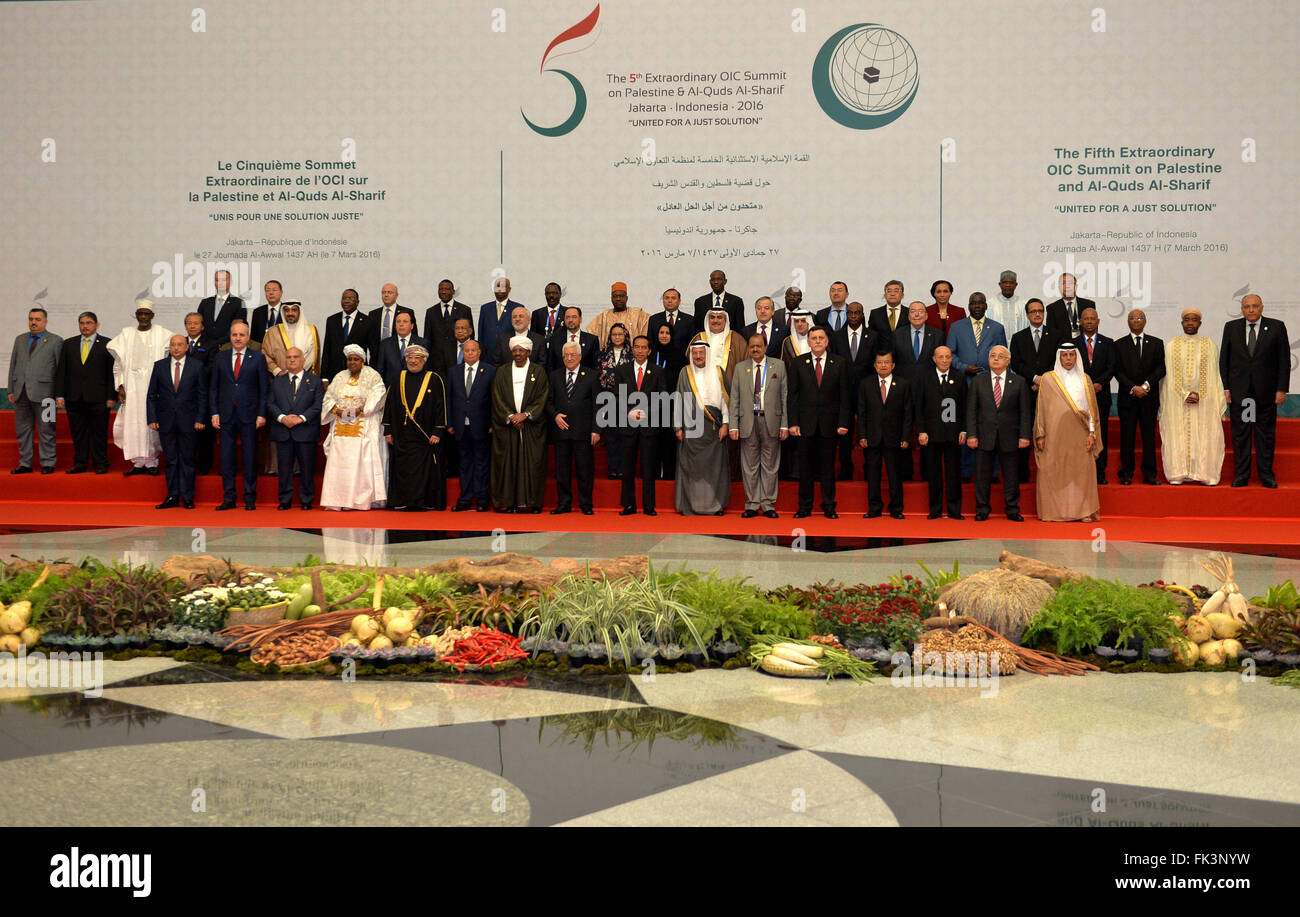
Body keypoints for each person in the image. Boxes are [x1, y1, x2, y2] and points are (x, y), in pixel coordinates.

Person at [1220, 293, 1290, 488]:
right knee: (1241, 435)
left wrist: (1281, 389)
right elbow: (1223, 360)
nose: (1251, 310)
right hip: (1241, 394)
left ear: (1262, 307)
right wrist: (1225, 387)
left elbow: (1284, 361)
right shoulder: (1231, 328)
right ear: (1242, 309)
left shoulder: (1276, 327)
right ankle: (1241, 475)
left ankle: (1266, 475)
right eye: (1247, 307)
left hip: (1266, 394)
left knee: (1265, 435)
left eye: (1255, 306)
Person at [1157, 308, 1227, 486]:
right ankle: (1178, 472)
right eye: (1186, 320)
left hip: (1204, 402)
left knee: (1204, 434)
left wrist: (1203, 394)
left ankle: (1204, 473)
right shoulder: (1172, 345)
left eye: (1194, 320)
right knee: (1178, 435)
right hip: (1178, 401)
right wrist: (1184, 394)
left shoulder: (1209, 344)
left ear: (1200, 324)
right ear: (1181, 323)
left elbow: (1213, 374)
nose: (1190, 323)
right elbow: (1169, 375)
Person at [787, 327, 852, 518]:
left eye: (821, 338)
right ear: (808, 342)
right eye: (813, 338)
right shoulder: (799, 363)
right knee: (805, 469)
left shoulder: (839, 362)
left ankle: (829, 505)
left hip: (830, 425)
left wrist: (843, 422)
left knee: (827, 468)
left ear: (826, 341)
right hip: (804, 425)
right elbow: (793, 396)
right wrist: (793, 422)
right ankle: (804, 507)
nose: (817, 341)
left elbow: (845, 396)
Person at [1034, 343, 1102, 521]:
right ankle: (1054, 512)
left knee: (1080, 474)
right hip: (1054, 434)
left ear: (1077, 357)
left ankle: (1084, 511)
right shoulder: (1049, 379)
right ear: (1059, 357)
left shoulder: (1085, 379)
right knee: (1054, 472)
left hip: (1080, 432)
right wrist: (1040, 434)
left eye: (1072, 355)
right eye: (1064, 355)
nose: (1068, 359)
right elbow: (1041, 408)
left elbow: (1092, 409)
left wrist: (1092, 434)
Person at [966, 345, 1031, 521]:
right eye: (992, 356)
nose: (996, 359)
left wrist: (1024, 435)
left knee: (1011, 476)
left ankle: (1012, 509)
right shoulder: (979, 381)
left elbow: (1025, 412)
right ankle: (982, 509)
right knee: (982, 476)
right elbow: (971, 410)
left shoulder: (1019, 382)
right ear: (988, 360)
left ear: (1008, 361)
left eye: (1000, 356)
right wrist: (971, 435)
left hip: (1010, 436)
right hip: (984, 436)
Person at [107, 301, 172, 476]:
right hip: (132, 388)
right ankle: (137, 463)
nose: (143, 317)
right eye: (140, 313)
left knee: (150, 423)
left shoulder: (162, 334)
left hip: (153, 389)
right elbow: (118, 365)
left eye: (146, 313)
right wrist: (120, 386)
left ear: (152, 315)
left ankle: (151, 462)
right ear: (136, 315)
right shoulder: (126, 334)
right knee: (133, 424)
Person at [210, 320, 269, 510]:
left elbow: (264, 389)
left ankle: (250, 497)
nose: (238, 338)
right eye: (235, 334)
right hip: (226, 414)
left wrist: (261, 414)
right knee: (227, 457)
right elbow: (213, 388)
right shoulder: (221, 357)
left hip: (250, 416)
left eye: (241, 335)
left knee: (250, 457)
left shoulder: (258, 358)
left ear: (248, 337)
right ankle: (229, 497)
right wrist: (214, 412)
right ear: (230, 336)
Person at [320, 344, 388, 510]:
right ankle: (338, 500)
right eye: (349, 359)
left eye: (356, 359)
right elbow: (328, 398)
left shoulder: (373, 376)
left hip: (363, 424)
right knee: (340, 463)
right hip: (341, 426)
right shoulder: (339, 377)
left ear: (362, 361)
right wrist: (337, 410)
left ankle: (359, 500)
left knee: (361, 461)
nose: (352, 362)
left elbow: (379, 395)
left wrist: (359, 410)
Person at [383, 344, 447, 511]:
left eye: (417, 358)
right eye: (409, 358)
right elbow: (388, 405)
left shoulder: (434, 378)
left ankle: (422, 502)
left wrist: (437, 431)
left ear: (424, 360)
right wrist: (388, 430)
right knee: (403, 468)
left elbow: (441, 407)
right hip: (401, 434)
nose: (413, 361)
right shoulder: (398, 378)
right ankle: (403, 501)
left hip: (425, 436)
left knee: (423, 470)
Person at [146, 334, 208, 509]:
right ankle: (172, 496)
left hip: (189, 421)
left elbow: (202, 395)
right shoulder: (159, 366)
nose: (176, 348)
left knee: (188, 459)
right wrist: (152, 418)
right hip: (166, 421)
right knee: (171, 460)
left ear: (187, 347)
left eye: (180, 345)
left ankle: (188, 497)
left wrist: (200, 418)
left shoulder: (197, 366)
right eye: (173, 345)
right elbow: (151, 395)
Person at [730, 333, 787, 518]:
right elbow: (735, 399)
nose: (755, 349)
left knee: (770, 465)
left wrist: (785, 425)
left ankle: (768, 504)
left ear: (765, 346)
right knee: (750, 465)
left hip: (771, 421)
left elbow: (784, 397)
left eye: (759, 346)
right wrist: (733, 425)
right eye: (752, 346)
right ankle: (752, 504)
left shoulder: (778, 366)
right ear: (748, 348)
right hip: (747, 421)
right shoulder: (740, 368)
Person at [490, 336, 549, 512]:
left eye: (521, 350)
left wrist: (526, 415)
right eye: (515, 350)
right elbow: (497, 396)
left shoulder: (538, 371)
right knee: (508, 466)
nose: (517, 353)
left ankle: (533, 503)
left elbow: (543, 396)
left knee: (532, 466)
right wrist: (511, 416)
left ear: (528, 352)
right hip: (507, 426)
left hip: (531, 427)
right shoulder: (502, 371)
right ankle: (509, 503)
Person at [674, 341, 731, 515]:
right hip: (690, 428)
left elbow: (725, 401)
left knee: (714, 468)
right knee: (692, 467)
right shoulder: (685, 372)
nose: (698, 356)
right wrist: (678, 427)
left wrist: (726, 424)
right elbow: (678, 400)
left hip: (714, 428)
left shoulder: (718, 372)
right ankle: (691, 506)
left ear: (707, 353)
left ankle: (715, 506)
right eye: (695, 353)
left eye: (701, 353)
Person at [1009, 298, 1063, 479]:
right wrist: (1034, 378)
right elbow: (1016, 363)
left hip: (1051, 391)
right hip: (1026, 390)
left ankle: (1050, 470)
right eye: (1033, 311)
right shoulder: (1018, 337)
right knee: (1024, 429)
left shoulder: (1056, 335)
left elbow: (1059, 362)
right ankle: (1023, 472)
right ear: (1027, 315)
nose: (1037, 314)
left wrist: (1044, 380)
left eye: (1040, 311)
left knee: (1051, 431)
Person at [55, 311, 115, 475]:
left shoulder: (108, 344)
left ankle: (101, 463)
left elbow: (112, 372)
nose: (85, 326)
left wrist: (111, 396)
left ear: (97, 325)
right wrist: (59, 395)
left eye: (89, 322)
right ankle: (80, 463)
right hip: (74, 397)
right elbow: (61, 372)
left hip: (99, 398)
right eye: (82, 323)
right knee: (78, 433)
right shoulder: (68, 344)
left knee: (99, 433)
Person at [615, 335, 668, 515]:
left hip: (649, 426)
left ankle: (648, 506)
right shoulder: (622, 370)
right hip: (628, 425)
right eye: (636, 347)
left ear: (649, 351)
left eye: (643, 347)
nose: (639, 351)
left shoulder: (658, 370)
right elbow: (617, 396)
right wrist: (629, 411)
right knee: (627, 467)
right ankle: (629, 505)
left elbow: (663, 397)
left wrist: (647, 412)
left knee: (648, 468)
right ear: (632, 349)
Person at [858, 350, 913, 519]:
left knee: (895, 475)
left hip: (894, 438)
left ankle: (896, 508)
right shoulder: (866, 384)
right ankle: (874, 508)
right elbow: (862, 412)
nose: (883, 365)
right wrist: (862, 435)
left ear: (893, 365)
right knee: (873, 475)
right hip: (872, 437)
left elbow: (908, 413)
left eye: (886, 362)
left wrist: (905, 437)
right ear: (875, 365)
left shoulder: (903, 384)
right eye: (880, 362)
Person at [267, 346, 324, 510]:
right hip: (283, 431)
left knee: (307, 468)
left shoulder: (314, 381)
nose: (292, 360)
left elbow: (317, 405)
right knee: (284, 468)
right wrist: (282, 418)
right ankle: (285, 500)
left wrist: (301, 418)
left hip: (305, 431)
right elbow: (270, 403)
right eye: (289, 357)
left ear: (303, 360)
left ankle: (306, 500)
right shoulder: (277, 381)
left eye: (296, 357)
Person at [547, 341, 599, 515]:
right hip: (561, 431)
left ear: (579, 356)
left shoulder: (591, 375)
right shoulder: (554, 376)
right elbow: (547, 401)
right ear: (562, 357)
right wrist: (555, 415)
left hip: (583, 432)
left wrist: (596, 429)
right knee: (562, 471)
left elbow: (599, 405)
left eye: (573, 355)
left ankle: (586, 504)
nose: (569, 358)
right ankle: (564, 503)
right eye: (566, 355)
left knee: (584, 470)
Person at [8, 307, 62, 474]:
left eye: (38, 319)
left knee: (47, 430)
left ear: (45, 322)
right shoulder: (20, 339)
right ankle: (25, 463)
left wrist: (59, 394)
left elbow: (60, 370)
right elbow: (13, 365)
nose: (33, 322)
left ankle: (48, 463)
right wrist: (11, 388)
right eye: (31, 319)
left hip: (47, 396)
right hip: (20, 393)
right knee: (23, 431)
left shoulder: (56, 341)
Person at [1114, 309, 1165, 485]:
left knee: (1149, 437)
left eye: (1140, 317)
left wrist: (1145, 386)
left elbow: (1161, 369)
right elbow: (1117, 370)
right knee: (1126, 437)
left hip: (1149, 398)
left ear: (1145, 321)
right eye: (1132, 318)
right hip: (1128, 399)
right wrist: (1132, 388)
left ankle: (1150, 474)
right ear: (1128, 321)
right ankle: (1126, 473)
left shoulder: (1157, 343)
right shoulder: (1119, 344)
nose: (1136, 320)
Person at [915, 346, 966, 519]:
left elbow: (964, 407)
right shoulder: (924, 378)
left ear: (952, 359)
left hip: (953, 434)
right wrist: (921, 430)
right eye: (941, 357)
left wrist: (964, 430)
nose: (944, 360)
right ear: (934, 359)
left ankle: (954, 510)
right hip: (931, 434)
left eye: (947, 357)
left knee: (953, 473)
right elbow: (919, 407)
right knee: (934, 473)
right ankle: (935, 510)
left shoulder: (959, 378)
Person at [892, 301, 940, 481]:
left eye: (921, 312)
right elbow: (894, 363)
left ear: (926, 315)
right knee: (903, 432)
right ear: (908, 315)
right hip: (903, 391)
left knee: (927, 431)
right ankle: (905, 472)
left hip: (929, 392)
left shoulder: (937, 335)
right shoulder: (897, 335)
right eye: (913, 312)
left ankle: (927, 473)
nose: (917, 315)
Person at [446, 339, 495, 512]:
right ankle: (465, 499)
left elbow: (493, 400)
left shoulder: (489, 371)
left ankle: (482, 499)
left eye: (473, 350)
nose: (470, 353)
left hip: (482, 425)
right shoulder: (453, 371)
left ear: (479, 352)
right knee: (464, 464)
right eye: (467, 350)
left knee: (482, 463)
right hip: (460, 426)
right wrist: (450, 423)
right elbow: (449, 399)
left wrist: (491, 423)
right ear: (463, 352)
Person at [831, 301, 876, 480]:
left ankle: (868, 470)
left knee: (868, 432)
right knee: (844, 434)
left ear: (862, 315)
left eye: (857, 313)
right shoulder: (836, 336)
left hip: (867, 391)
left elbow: (875, 365)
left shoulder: (872, 336)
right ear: (846, 315)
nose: (854, 316)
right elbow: (833, 364)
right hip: (843, 392)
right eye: (850, 313)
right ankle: (845, 469)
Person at [1074, 307, 1116, 484]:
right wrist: (1084, 386)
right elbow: (1069, 367)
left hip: (1101, 396)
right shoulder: (1071, 343)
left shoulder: (1108, 343)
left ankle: (1100, 472)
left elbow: (1112, 366)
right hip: (1079, 397)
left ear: (1098, 321)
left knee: (1101, 434)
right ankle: (1081, 471)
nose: (1089, 321)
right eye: (1086, 319)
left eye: (1093, 319)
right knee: (1079, 435)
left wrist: (1100, 383)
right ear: (1080, 322)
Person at [597, 323, 634, 479]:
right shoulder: (602, 354)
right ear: (610, 337)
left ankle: (625, 468)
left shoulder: (632, 354)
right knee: (611, 437)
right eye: (614, 334)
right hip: (609, 399)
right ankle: (613, 468)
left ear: (625, 335)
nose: (617, 337)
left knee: (626, 436)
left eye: (620, 334)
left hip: (628, 400)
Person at [652, 321, 687, 480]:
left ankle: (668, 473)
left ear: (671, 336)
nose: (664, 336)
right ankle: (652, 472)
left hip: (671, 403)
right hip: (651, 404)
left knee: (668, 441)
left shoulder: (679, 355)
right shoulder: (651, 353)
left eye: (667, 333)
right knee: (652, 440)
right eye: (661, 333)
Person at [689, 307, 748, 391]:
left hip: (729, 389)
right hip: (702, 388)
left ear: (725, 320)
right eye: (712, 317)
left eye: (719, 317)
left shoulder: (737, 339)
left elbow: (745, 365)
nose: (715, 321)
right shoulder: (698, 338)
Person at [322, 288, 372, 383]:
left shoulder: (367, 321)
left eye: (351, 298)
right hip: (334, 374)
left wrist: (370, 375)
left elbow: (374, 352)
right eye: (344, 298)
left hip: (359, 374)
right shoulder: (332, 320)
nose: (346, 301)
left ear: (357, 302)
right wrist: (324, 377)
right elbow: (326, 351)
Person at [261, 300, 319, 379]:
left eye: (294, 310)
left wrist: (298, 372)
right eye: (287, 310)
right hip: (280, 379)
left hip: (305, 378)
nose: (290, 313)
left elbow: (312, 356)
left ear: (299, 312)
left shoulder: (310, 331)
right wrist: (278, 371)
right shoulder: (273, 332)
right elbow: (265, 354)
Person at [372, 311, 427, 384]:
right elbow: (381, 369)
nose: (401, 324)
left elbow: (426, 369)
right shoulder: (385, 344)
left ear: (412, 326)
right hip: (391, 388)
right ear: (395, 326)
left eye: (405, 321)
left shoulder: (422, 343)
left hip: (414, 386)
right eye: (398, 322)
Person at [589, 281, 650, 347]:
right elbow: (591, 334)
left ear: (626, 298)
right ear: (611, 299)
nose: (618, 299)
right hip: (609, 355)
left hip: (633, 355)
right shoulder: (604, 316)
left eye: (621, 296)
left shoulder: (638, 314)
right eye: (615, 296)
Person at [424, 279, 473, 357]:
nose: (443, 292)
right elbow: (427, 338)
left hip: (458, 356)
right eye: (441, 289)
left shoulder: (464, 310)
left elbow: (470, 336)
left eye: (447, 289)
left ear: (453, 291)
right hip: (436, 358)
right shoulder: (431, 312)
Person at [198, 269, 246, 347]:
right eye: (217, 280)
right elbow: (200, 325)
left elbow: (237, 327)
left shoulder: (239, 303)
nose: (220, 283)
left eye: (224, 280)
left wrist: (218, 343)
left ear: (230, 282)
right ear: (214, 282)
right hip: (206, 346)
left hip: (227, 346)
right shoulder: (205, 303)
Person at [477, 277, 520, 362]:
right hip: (488, 356)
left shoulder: (517, 308)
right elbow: (481, 333)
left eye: (503, 286)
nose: (499, 289)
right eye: (497, 287)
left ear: (509, 289)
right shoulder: (485, 308)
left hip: (509, 355)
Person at [648, 287, 698, 361]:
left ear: (679, 301)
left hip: (681, 362)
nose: (670, 301)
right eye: (666, 298)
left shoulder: (689, 320)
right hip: (658, 363)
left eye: (673, 298)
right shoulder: (654, 319)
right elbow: (650, 343)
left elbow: (691, 345)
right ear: (663, 301)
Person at [368, 282, 419, 352]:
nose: (386, 295)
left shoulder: (407, 312)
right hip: (378, 356)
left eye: (389, 292)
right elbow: (370, 338)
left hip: (399, 354)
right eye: (384, 292)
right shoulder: (373, 314)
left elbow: (414, 336)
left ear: (396, 295)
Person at [546, 305, 599, 370]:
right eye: (567, 317)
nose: (570, 320)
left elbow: (595, 366)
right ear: (564, 320)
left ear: (580, 319)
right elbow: (550, 365)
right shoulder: (555, 340)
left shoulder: (592, 340)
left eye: (574, 317)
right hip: (560, 379)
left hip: (585, 378)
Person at [1045, 273, 1095, 340]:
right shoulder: (1052, 308)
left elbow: (1093, 331)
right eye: (1064, 283)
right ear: (1059, 287)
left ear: (1076, 286)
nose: (1067, 286)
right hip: (1062, 348)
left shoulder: (1088, 305)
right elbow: (1051, 335)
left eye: (1070, 283)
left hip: (1084, 347)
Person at [988, 270, 1028, 339]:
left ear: (1016, 285)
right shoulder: (990, 304)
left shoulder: (1023, 305)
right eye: (1005, 282)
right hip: (997, 346)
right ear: (999, 284)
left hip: (1019, 346)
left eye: (1011, 283)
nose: (1008, 285)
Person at [924, 280, 965, 344]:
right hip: (932, 350)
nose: (942, 295)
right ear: (934, 293)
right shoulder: (927, 311)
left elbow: (963, 334)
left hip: (954, 350)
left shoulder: (959, 311)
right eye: (938, 292)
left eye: (945, 291)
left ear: (950, 293)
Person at [868, 280, 907, 344]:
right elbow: (871, 337)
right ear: (885, 295)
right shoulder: (875, 313)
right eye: (889, 291)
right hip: (882, 352)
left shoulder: (909, 313)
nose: (892, 294)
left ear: (902, 295)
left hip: (904, 352)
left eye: (896, 291)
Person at [249, 279, 285, 344]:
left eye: (274, 290)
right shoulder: (257, 312)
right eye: (268, 290)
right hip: (261, 351)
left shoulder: (286, 311)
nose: (271, 293)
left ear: (281, 292)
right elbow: (253, 337)